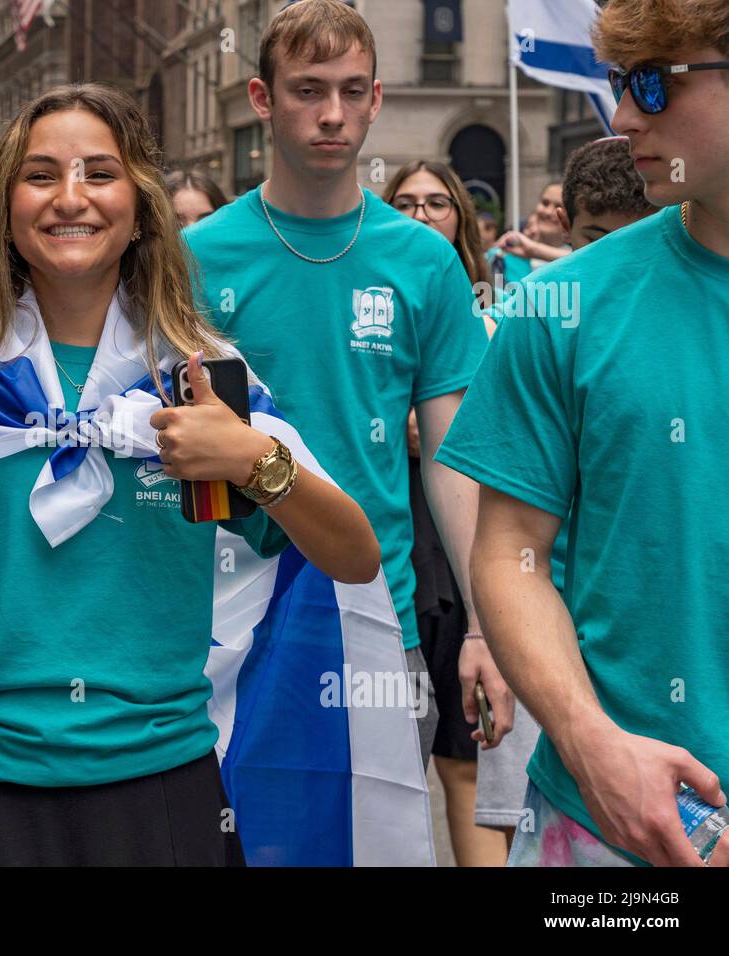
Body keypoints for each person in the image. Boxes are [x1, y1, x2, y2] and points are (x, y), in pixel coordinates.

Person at [0, 82, 382, 866]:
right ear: (5, 209)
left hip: (160, 784)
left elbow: (354, 554)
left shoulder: (201, 380)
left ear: (141, 207)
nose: (71, 197)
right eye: (41, 175)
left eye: (100, 173)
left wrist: (250, 458)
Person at [436, 0, 729, 867]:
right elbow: (508, 551)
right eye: (616, 84)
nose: (625, 115)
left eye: (653, 83)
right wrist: (592, 744)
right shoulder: (564, 307)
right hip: (606, 829)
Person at [184, 0, 506, 767]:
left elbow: (454, 459)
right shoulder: (194, 256)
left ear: (376, 98)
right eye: (308, 90)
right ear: (262, 99)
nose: (333, 115)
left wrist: (484, 627)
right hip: (225, 622)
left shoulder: (424, 262)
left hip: (377, 619)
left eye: (352, 90)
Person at [382, 159, 505, 867]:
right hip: (390, 545)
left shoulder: (490, 319)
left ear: (460, 215)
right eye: (406, 201)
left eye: (436, 202)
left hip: (458, 552)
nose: (423, 213)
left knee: (464, 760)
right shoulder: (365, 296)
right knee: (389, 767)